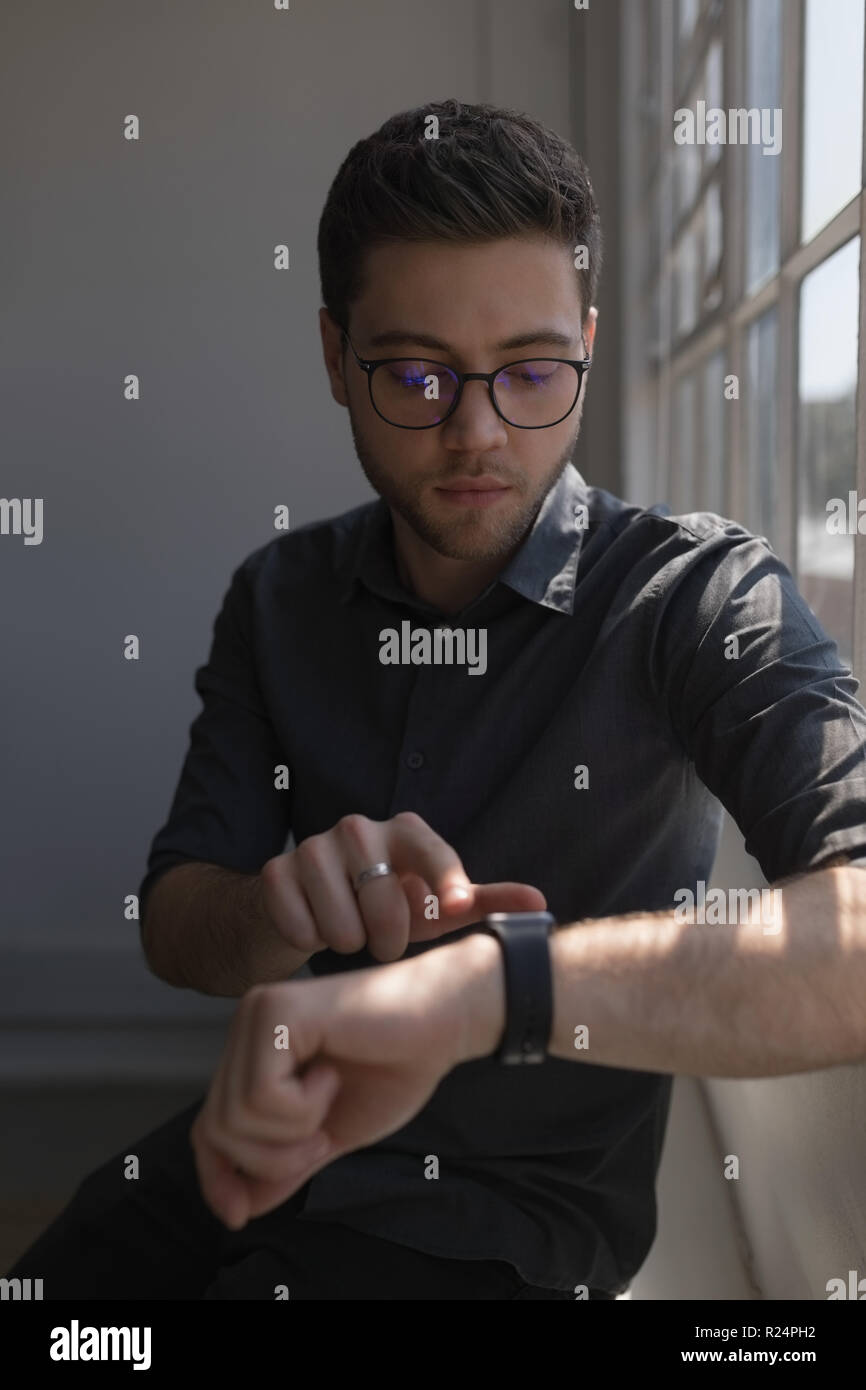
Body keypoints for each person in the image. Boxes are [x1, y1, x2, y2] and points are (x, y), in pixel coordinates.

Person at [9, 98, 866, 1302]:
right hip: (281, 1151)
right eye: (414, 373)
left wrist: (486, 993)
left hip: (505, 1235)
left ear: (585, 340)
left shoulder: (697, 596)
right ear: (331, 356)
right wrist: (276, 907)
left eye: (530, 371)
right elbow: (178, 924)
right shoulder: (279, 596)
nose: (476, 433)